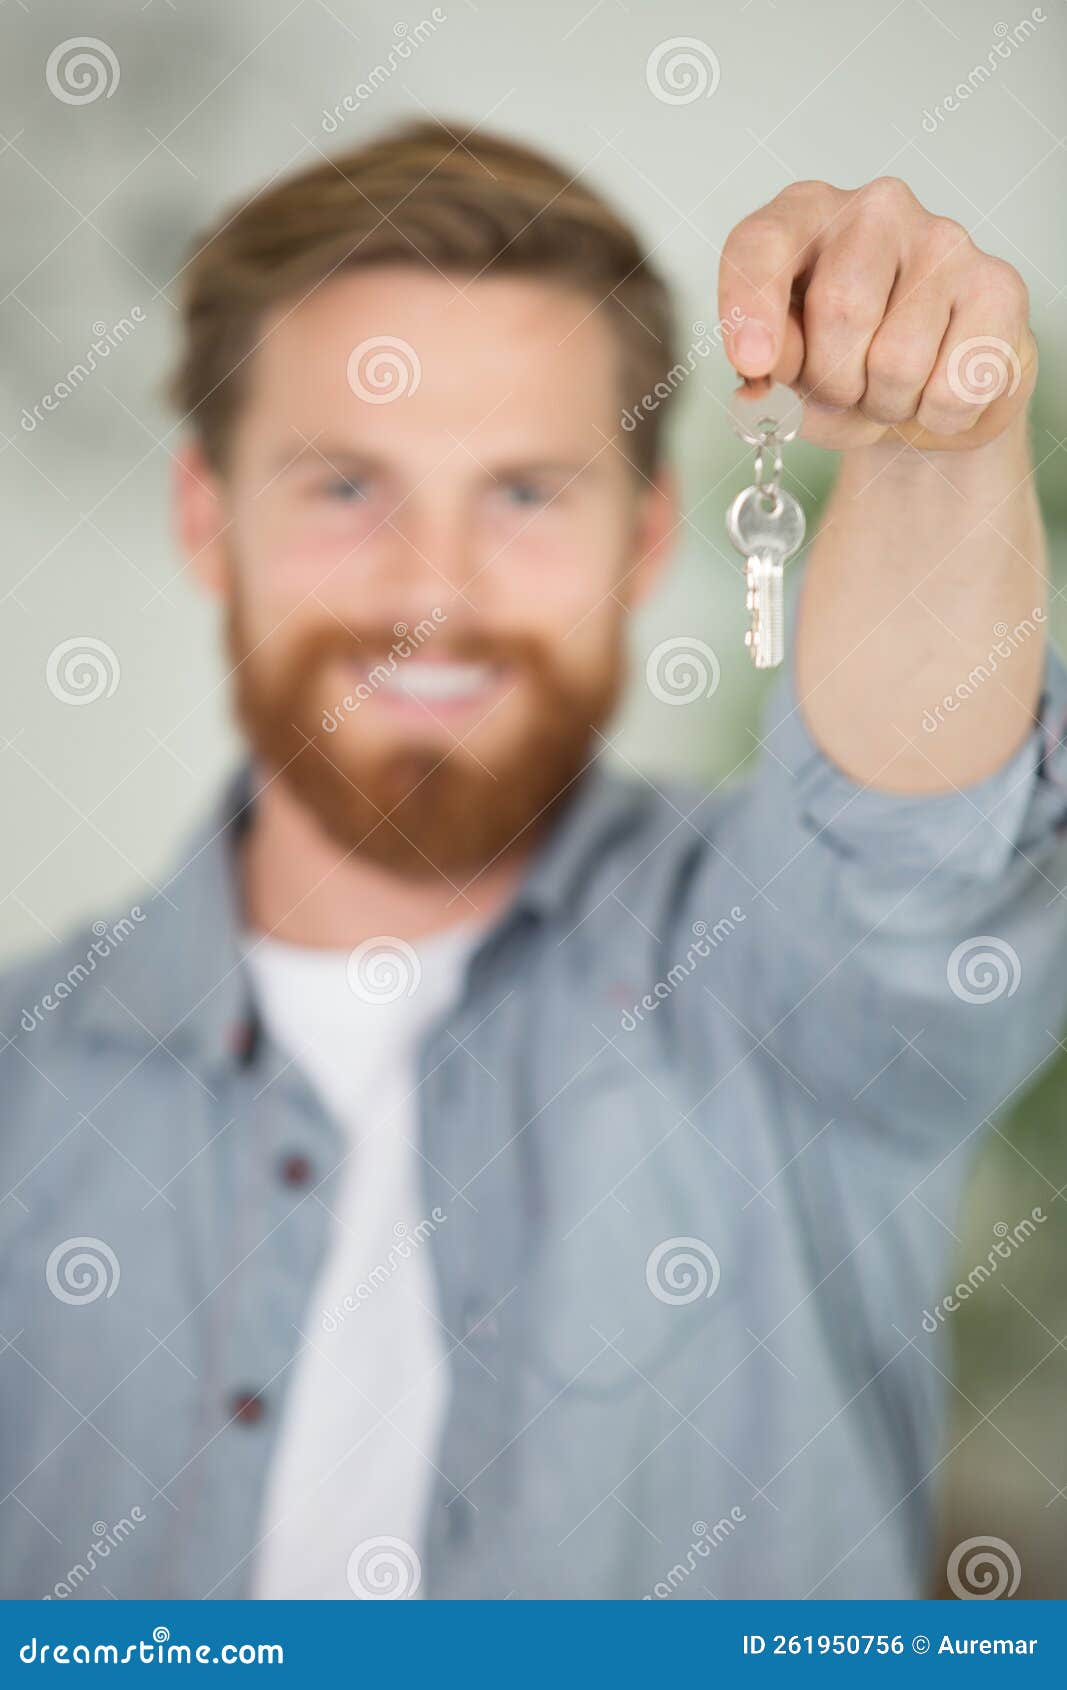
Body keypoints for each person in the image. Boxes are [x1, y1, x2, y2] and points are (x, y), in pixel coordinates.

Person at [2, 119, 1065, 1602]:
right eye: (344, 486)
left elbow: (911, 851)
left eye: (523, 493)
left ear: (646, 540)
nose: (432, 591)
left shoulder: (780, 979)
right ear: (207, 519)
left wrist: (935, 447)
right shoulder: (24, 1083)